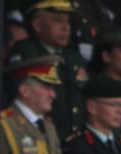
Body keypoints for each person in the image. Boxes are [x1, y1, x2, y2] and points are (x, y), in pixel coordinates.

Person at [9, 0, 86, 141]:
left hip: (73, 142)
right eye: (58, 20)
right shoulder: (28, 52)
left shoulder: (73, 57)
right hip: (40, 136)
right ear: (37, 25)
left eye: (68, 22)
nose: (66, 27)